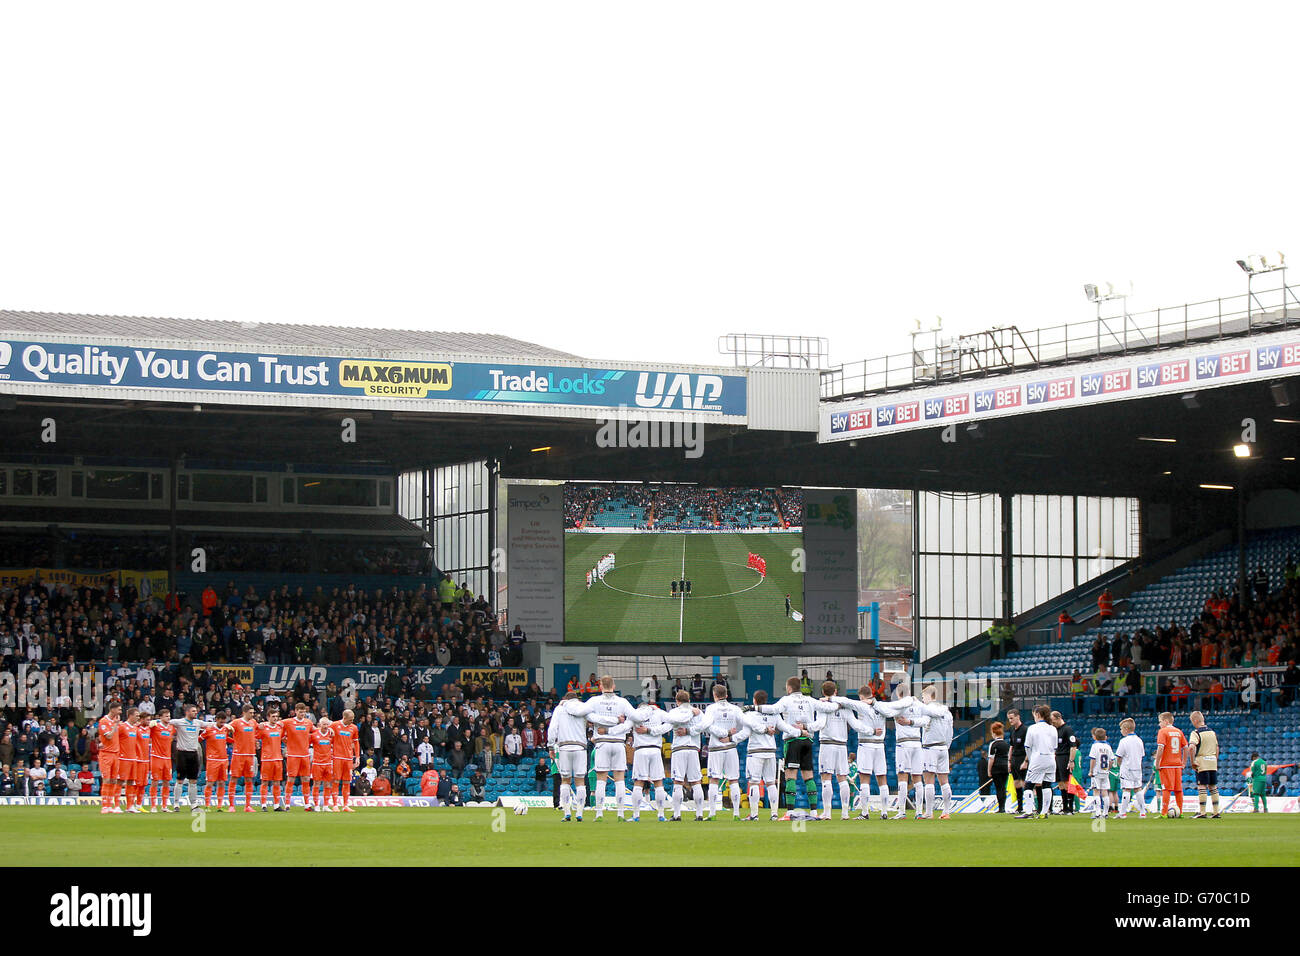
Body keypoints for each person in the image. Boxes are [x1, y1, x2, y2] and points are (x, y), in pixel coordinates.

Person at [757, 676, 838, 815]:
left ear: (789, 688)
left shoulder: (786, 700)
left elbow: (773, 709)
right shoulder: (810, 700)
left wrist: (754, 708)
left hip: (792, 740)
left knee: (791, 776)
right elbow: (831, 707)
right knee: (809, 776)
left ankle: (790, 812)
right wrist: (832, 700)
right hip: (807, 740)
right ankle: (813, 812)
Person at [835, 684, 890, 820]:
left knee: (865, 778)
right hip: (880, 745)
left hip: (866, 745)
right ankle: (884, 812)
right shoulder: (882, 706)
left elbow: (846, 701)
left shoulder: (861, 705)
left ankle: (865, 812)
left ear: (861, 697)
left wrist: (830, 698)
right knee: (882, 779)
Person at [698, 684, 746, 821]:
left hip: (716, 748)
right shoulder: (735, 709)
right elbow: (743, 727)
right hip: (731, 747)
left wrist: (721, 734)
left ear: (714, 695)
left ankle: (712, 814)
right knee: (733, 779)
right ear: (726, 694)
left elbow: (707, 725)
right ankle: (736, 814)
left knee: (714, 779)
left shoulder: (711, 708)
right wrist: (730, 736)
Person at [626, 702, 673, 822]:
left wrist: (647, 729)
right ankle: (661, 815)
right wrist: (653, 730)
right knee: (658, 783)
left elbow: (625, 726)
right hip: (655, 750)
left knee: (638, 783)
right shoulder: (657, 713)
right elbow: (670, 724)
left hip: (641, 750)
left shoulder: (635, 715)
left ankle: (636, 815)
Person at [1020, 704, 1058, 819]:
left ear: (1038, 715)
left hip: (1037, 758)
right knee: (1047, 785)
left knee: (1028, 785)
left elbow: (1027, 746)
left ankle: (1028, 811)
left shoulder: (1033, 728)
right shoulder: (1053, 728)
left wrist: (1031, 760)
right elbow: (1055, 747)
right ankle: (1044, 812)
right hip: (1051, 759)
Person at [1187, 710, 1221, 819]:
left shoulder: (1196, 733)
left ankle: (1202, 812)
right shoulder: (1212, 732)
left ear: (1195, 721)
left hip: (1202, 761)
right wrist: (1215, 759)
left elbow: (1192, 747)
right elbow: (1217, 747)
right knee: (1213, 786)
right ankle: (1216, 812)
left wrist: (1192, 761)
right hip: (1212, 761)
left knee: (1202, 786)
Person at [1153, 711, 1187, 818]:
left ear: (1166, 721)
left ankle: (1163, 813)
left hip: (1166, 764)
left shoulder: (1163, 731)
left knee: (1166, 789)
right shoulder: (1179, 731)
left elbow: (1161, 747)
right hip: (1177, 764)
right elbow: (1185, 747)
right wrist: (1184, 762)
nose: (1159, 724)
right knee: (1178, 789)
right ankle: (1180, 812)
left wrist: (1157, 762)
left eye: (1160, 721)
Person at [228, 704, 260, 812]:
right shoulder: (236, 722)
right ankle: (231, 805)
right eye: (250, 713)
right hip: (238, 755)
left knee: (249, 779)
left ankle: (247, 806)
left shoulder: (253, 723)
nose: (252, 714)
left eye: (253, 713)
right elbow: (226, 728)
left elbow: (258, 731)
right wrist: (232, 741)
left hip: (250, 755)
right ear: (244, 713)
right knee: (234, 778)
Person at [1114, 717, 1146, 819]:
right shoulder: (1139, 740)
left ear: (1126, 729)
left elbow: (1119, 756)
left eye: (1122, 729)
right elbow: (1142, 755)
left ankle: (1123, 813)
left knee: (1126, 790)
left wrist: (1120, 766)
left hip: (1127, 768)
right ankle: (1142, 812)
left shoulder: (1124, 741)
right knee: (1138, 789)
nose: (1121, 731)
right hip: (1137, 768)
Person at [96, 703, 123, 815]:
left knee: (113, 780)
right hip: (106, 754)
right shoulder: (104, 721)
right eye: (119, 709)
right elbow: (109, 736)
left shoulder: (115, 722)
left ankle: (110, 805)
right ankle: (104, 806)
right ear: (112, 709)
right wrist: (116, 725)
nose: (120, 712)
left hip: (116, 754)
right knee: (106, 780)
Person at [1050, 711, 1079, 815]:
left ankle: (1070, 808)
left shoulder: (1067, 729)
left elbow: (1073, 746)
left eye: (1053, 721)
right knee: (1060, 782)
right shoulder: (1055, 730)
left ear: (1058, 718)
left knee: (1066, 782)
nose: (1052, 723)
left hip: (1065, 757)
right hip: (1057, 757)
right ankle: (1065, 807)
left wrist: (1071, 761)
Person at [200, 715, 231, 811]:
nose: (222, 721)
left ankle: (219, 806)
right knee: (210, 783)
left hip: (223, 760)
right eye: (221, 719)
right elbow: (199, 739)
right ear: (216, 720)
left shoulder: (226, 729)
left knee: (222, 783)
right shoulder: (209, 730)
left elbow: (227, 740)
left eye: (224, 720)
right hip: (212, 760)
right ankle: (207, 805)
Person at [146, 716, 177, 813]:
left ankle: (164, 806)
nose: (168, 718)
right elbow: (145, 730)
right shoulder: (155, 727)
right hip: (156, 757)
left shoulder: (171, 728)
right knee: (155, 781)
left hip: (167, 759)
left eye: (169, 716)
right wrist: (151, 723)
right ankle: (153, 806)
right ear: (161, 717)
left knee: (166, 782)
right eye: (166, 716)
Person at [1087, 728, 1116, 819]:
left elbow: (1093, 759)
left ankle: (1098, 812)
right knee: (1105, 792)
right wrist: (1108, 769)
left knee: (1096, 791)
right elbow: (1111, 760)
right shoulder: (1108, 746)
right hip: (1105, 772)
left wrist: (1091, 771)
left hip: (1096, 772)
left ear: (1095, 737)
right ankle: (1106, 813)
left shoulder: (1095, 746)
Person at [1006, 709, 1029, 814]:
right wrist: (1009, 761)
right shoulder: (1012, 731)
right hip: (1014, 759)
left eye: (1011, 718)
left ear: (1018, 717)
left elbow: (1029, 747)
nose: (1010, 721)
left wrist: (1026, 761)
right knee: (1016, 783)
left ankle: (1030, 806)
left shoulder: (1025, 730)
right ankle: (1019, 807)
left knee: (1025, 783)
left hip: (1023, 758)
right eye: (1009, 719)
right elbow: (1011, 746)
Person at [986, 721, 1010, 813]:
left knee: (998, 787)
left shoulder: (993, 744)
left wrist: (989, 771)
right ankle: (1003, 806)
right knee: (1003, 787)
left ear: (993, 733)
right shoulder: (1006, 744)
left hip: (996, 768)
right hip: (1005, 767)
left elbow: (991, 759)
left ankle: (1001, 808)